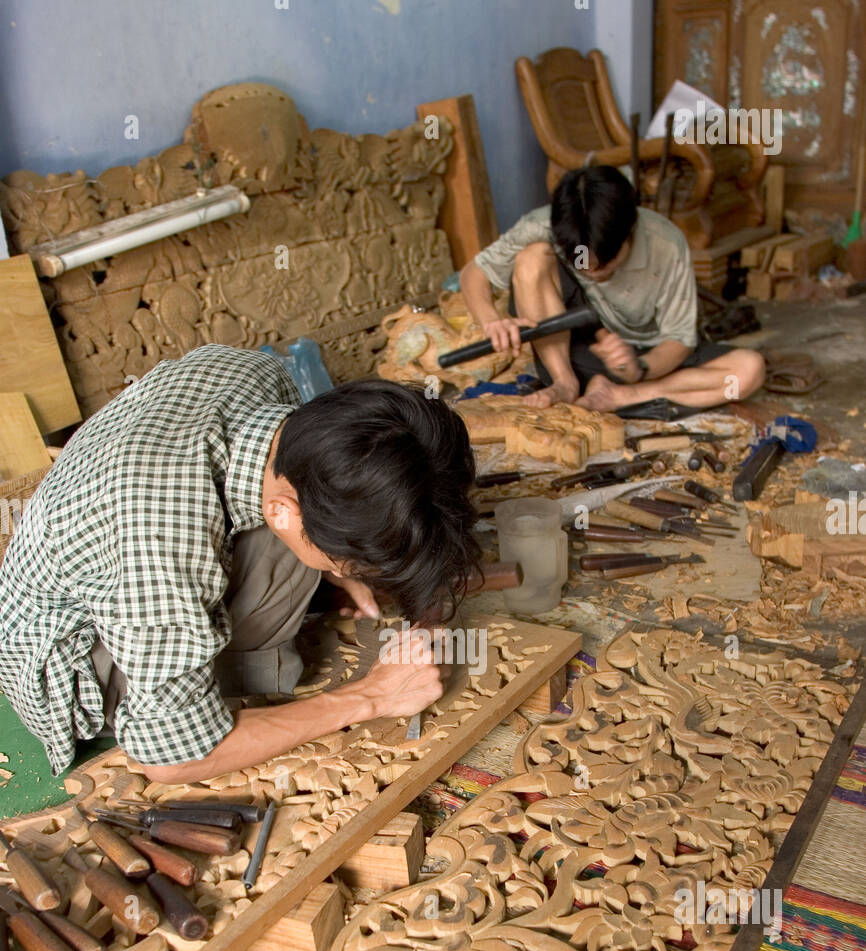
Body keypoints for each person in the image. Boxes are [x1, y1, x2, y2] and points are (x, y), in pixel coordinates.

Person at [0, 345, 480, 783]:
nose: (357, 572)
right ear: (281, 514)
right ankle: (220, 699)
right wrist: (375, 695)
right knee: (186, 735)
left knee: (305, 558)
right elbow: (167, 758)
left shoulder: (256, 373)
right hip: (71, 664)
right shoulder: (161, 533)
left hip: (132, 543)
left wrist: (341, 562)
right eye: (352, 562)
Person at [460, 165, 764, 412]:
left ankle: (624, 396)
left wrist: (637, 369)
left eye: (604, 263)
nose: (592, 272)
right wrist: (491, 321)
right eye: (582, 263)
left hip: (648, 360)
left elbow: (679, 341)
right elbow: (473, 273)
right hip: (577, 353)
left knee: (749, 370)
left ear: (630, 231)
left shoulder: (666, 243)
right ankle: (564, 383)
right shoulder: (542, 225)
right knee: (531, 259)